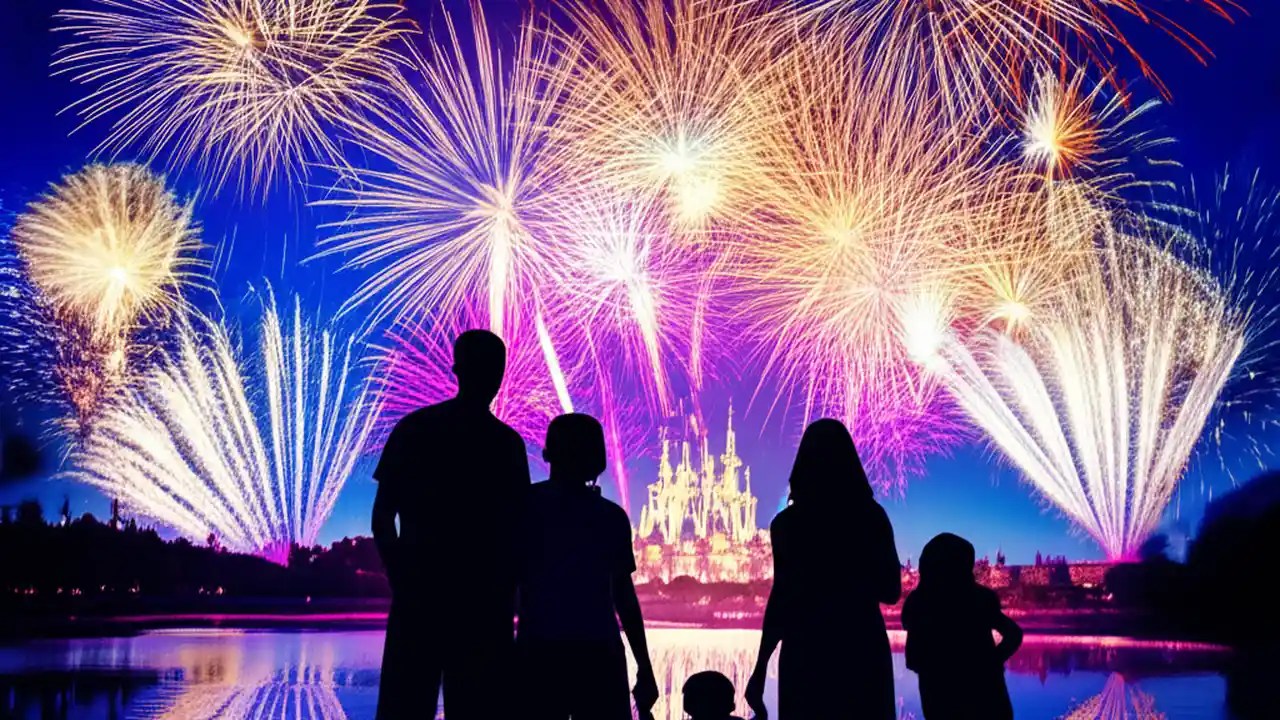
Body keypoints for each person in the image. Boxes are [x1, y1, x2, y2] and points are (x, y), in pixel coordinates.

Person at [372, 330, 532, 720]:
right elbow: (520, 531)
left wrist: (403, 576)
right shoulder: (506, 445)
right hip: (483, 605)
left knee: (404, 707)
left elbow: (382, 519)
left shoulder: (414, 429)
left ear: (456, 369)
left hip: (422, 597)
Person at [745, 419, 901, 719]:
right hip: (861, 648)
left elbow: (781, 600)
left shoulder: (787, 525)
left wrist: (761, 667)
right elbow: (891, 591)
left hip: (806, 651)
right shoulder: (871, 517)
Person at [516, 413, 659, 720]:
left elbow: (502, 582)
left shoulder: (524, 507)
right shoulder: (610, 517)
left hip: (538, 649)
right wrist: (644, 667)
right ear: (597, 459)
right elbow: (624, 597)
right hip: (598, 652)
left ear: (549, 453)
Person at [902, 533, 1023, 720]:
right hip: (987, 695)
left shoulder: (919, 603)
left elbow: (913, 659)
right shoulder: (980, 599)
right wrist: (990, 662)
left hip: (939, 698)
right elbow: (1014, 634)